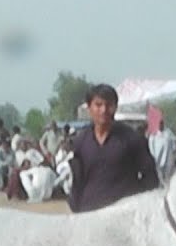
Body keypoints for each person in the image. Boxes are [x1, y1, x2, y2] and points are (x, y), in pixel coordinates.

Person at [67, 84, 159, 213]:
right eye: (98, 105)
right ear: (89, 108)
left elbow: (151, 179)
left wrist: (135, 203)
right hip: (87, 215)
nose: (104, 110)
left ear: (115, 107)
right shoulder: (80, 141)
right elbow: (77, 181)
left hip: (122, 214)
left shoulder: (132, 139)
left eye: (109, 105)